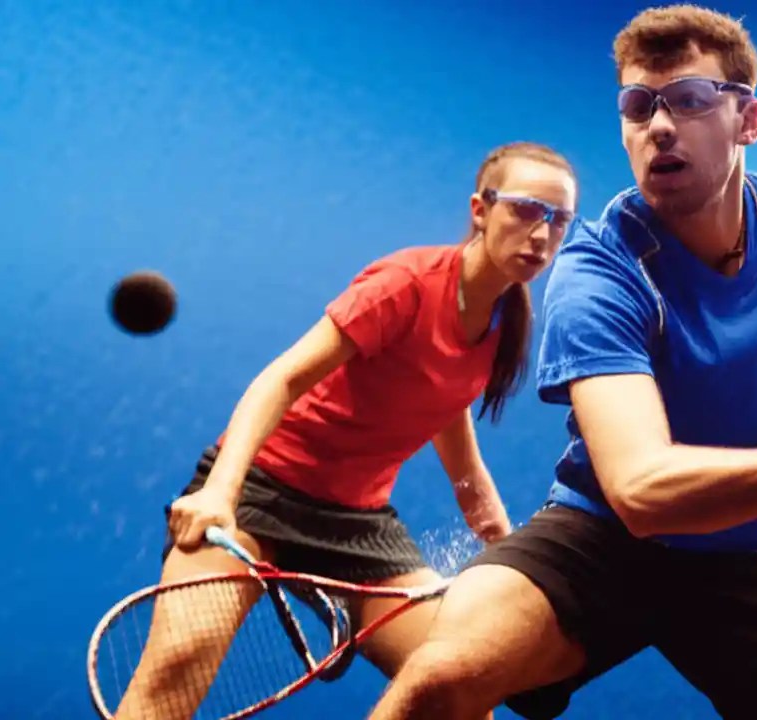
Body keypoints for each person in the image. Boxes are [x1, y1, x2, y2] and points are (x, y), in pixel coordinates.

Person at [368, 7, 757, 720]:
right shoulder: (600, 266)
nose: (659, 126)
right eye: (638, 107)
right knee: (441, 678)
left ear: (748, 120)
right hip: (601, 538)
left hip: (750, 562)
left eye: (689, 100)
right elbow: (641, 490)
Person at [113, 141, 578, 720]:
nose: (542, 233)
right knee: (175, 675)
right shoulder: (405, 283)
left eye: (559, 219)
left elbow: (444, 403)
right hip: (257, 490)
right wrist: (219, 494)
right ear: (481, 210)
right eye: (527, 209)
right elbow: (280, 380)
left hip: (357, 526)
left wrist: (494, 529)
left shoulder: (505, 321)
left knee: (458, 689)